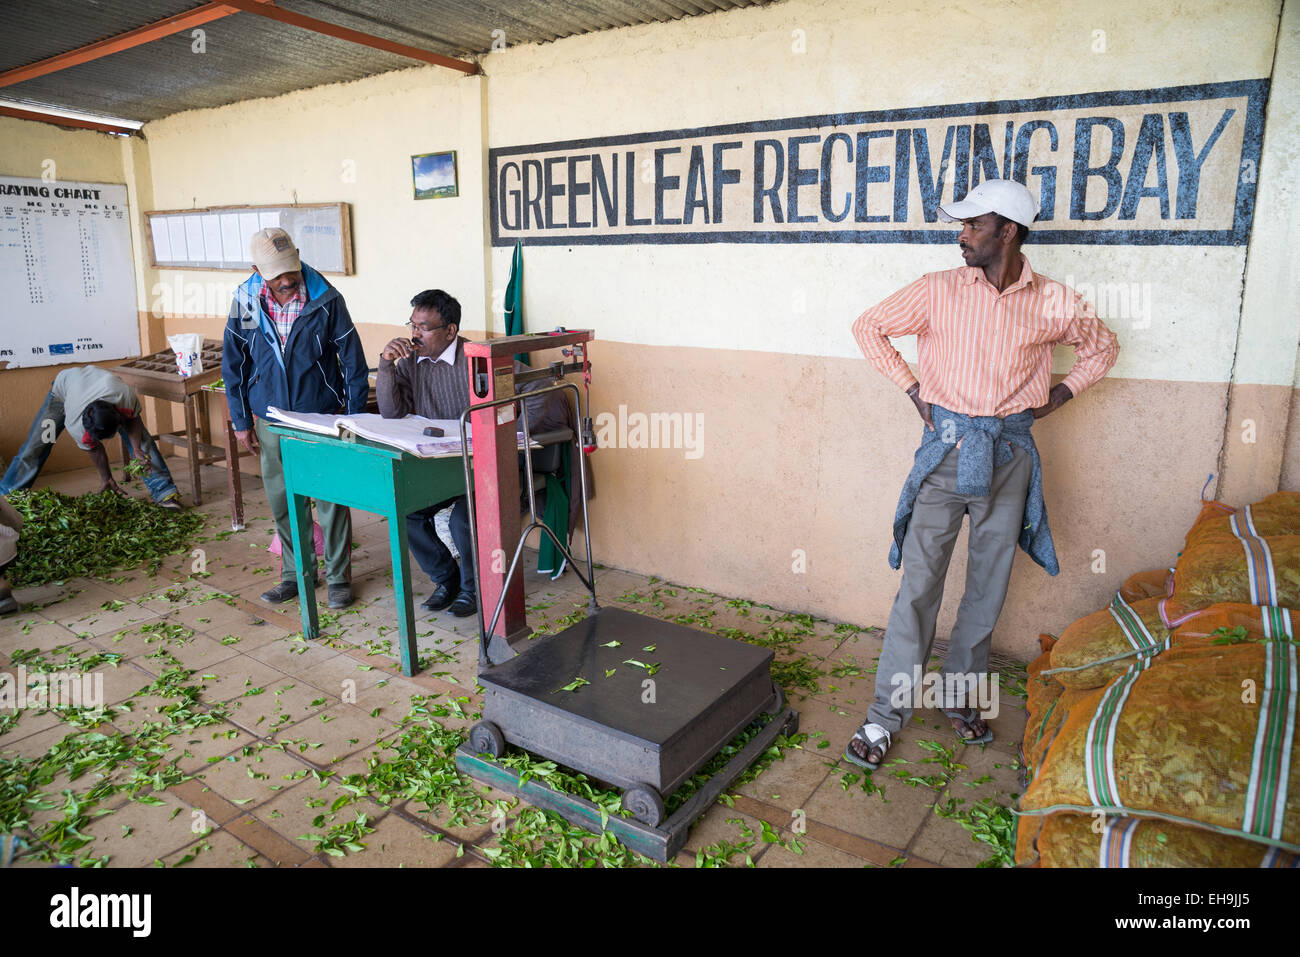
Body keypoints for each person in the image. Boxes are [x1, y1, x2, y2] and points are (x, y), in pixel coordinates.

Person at [845, 178, 1120, 770]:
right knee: (920, 585)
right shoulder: (936, 290)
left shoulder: (1054, 300)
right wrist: (914, 390)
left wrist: (1058, 396)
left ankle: (959, 694)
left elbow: (1102, 348)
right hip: (945, 453)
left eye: (974, 225)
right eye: (963, 225)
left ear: (1009, 231)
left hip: (1010, 456)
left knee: (987, 586)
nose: (962, 235)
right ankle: (884, 715)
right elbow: (868, 326)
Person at [376, 289, 556, 618]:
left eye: (424, 327)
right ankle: (447, 580)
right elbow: (391, 413)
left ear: (450, 330)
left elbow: (536, 386)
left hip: (486, 465)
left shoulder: (478, 358)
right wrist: (386, 365)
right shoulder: (412, 363)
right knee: (408, 510)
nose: (415, 334)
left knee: (464, 518)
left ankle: (474, 589)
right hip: (443, 463)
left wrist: (508, 434)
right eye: (412, 325)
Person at [222, 227, 368, 609]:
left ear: (298, 256)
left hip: (321, 418)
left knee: (330, 499)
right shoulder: (246, 303)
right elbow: (234, 365)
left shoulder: (325, 299)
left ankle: (339, 578)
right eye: (276, 274)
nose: (286, 280)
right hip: (271, 419)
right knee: (283, 500)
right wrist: (240, 421)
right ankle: (296, 574)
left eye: (290, 270)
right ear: (257, 269)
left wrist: (351, 421)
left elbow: (353, 363)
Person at [0, 366, 183, 509]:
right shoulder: (76, 424)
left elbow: (132, 420)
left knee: (142, 442)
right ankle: (8, 496)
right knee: (38, 444)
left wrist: (136, 449)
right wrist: (106, 478)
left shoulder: (124, 396)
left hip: (98, 384)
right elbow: (94, 449)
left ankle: (164, 491)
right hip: (61, 394)